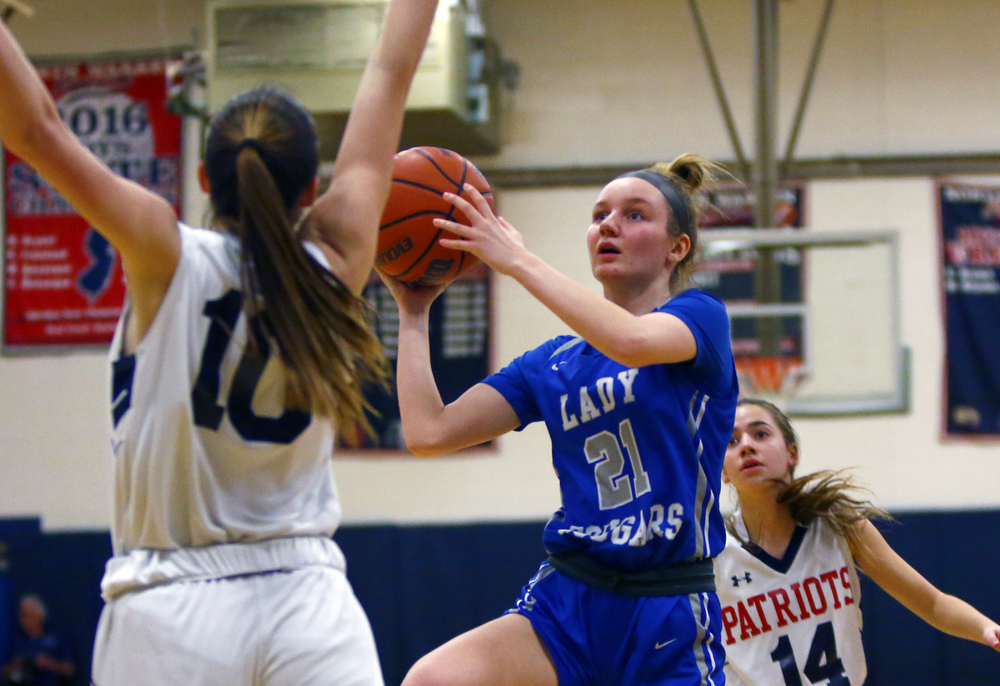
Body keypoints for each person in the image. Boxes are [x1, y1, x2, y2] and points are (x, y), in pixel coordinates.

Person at [0, 0, 438, 684]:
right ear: (310, 189)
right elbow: (391, 69)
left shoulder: (161, 252)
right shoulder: (340, 254)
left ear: (205, 181)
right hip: (309, 602)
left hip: (170, 607)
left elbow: (39, 132)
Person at [382, 156, 739, 686]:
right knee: (432, 679)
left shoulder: (700, 318)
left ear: (677, 248)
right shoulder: (550, 363)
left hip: (666, 604)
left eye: (635, 215)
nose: (609, 225)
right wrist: (413, 314)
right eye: (599, 215)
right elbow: (428, 433)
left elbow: (631, 342)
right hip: (570, 597)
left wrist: (518, 260)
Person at [717, 398, 1000, 686]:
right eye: (732, 441)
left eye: (761, 434)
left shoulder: (840, 527)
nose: (747, 445)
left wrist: (987, 628)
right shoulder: (712, 553)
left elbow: (933, 604)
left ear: (792, 453)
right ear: (723, 471)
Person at [0, 595, 75, 686]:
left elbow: (70, 670)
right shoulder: (16, 639)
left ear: (40, 616)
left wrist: (49, 663)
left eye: (28, 615)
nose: (23, 620)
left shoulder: (56, 636)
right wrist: (16, 665)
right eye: (22, 615)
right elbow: (3, 672)